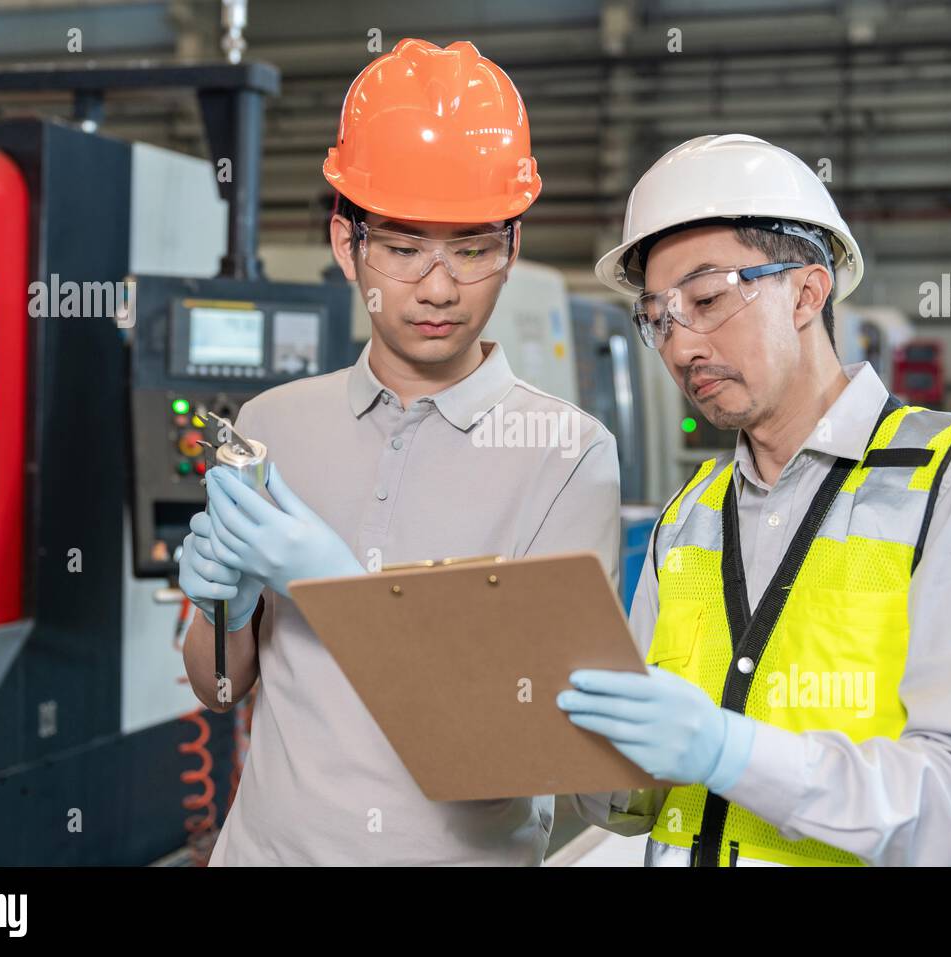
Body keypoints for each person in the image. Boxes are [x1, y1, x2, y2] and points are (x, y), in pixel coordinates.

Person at [178, 38, 620, 865]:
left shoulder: (566, 456)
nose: (441, 286)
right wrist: (225, 609)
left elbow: (521, 753)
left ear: (513, 248)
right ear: (347, 244)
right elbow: (220, 688)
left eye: (474, 246)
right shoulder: (274, 421)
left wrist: (341, 586)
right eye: (405, 247)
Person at [557, 134, 951, 866]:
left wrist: (729, 750)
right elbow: (638, 807)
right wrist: (593, 760)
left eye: (708, 298)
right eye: (657, 315)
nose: (681, 345)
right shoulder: (688, 516)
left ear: (808, 292)